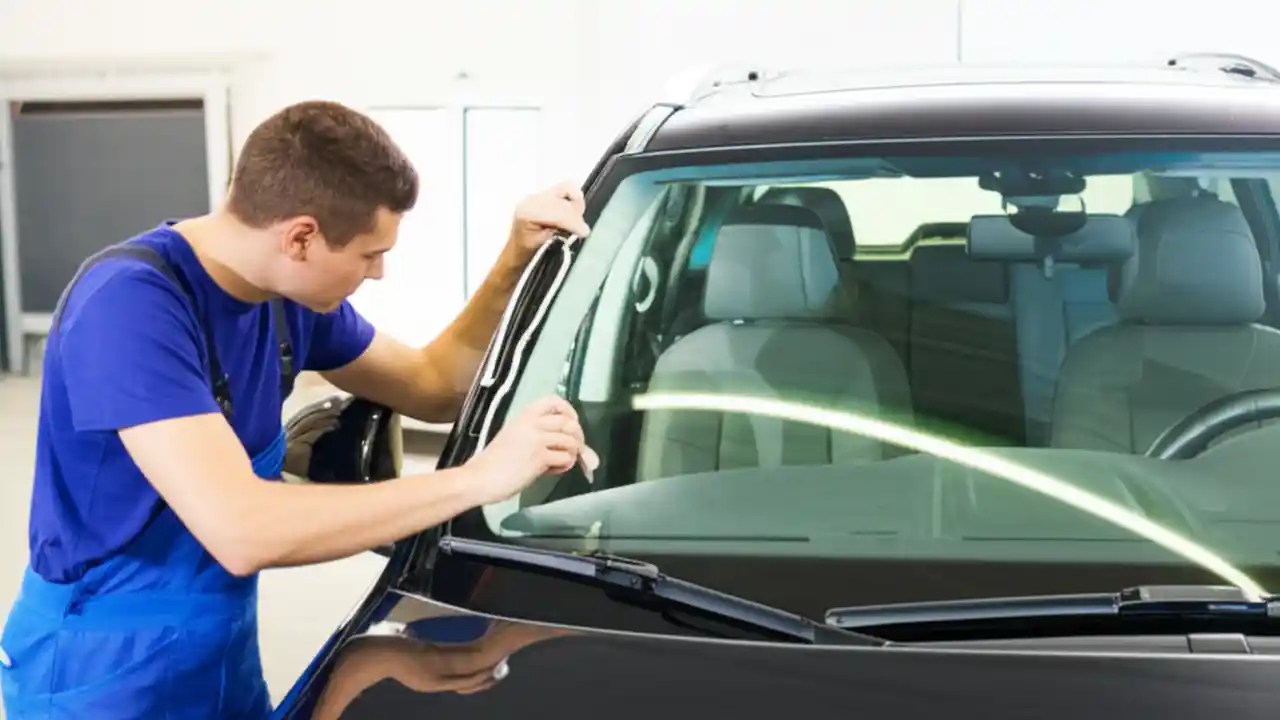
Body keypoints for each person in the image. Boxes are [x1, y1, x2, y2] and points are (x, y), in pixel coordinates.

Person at [0, 99, 597, 719]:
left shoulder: (285, 301)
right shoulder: (129, 307)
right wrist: (479, 479)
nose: (380, 272)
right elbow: (242, 528)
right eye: (370, 254)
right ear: (301, 237)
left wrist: (516, 257)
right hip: (97, 666)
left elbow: (434, 384)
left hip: (217, 648)